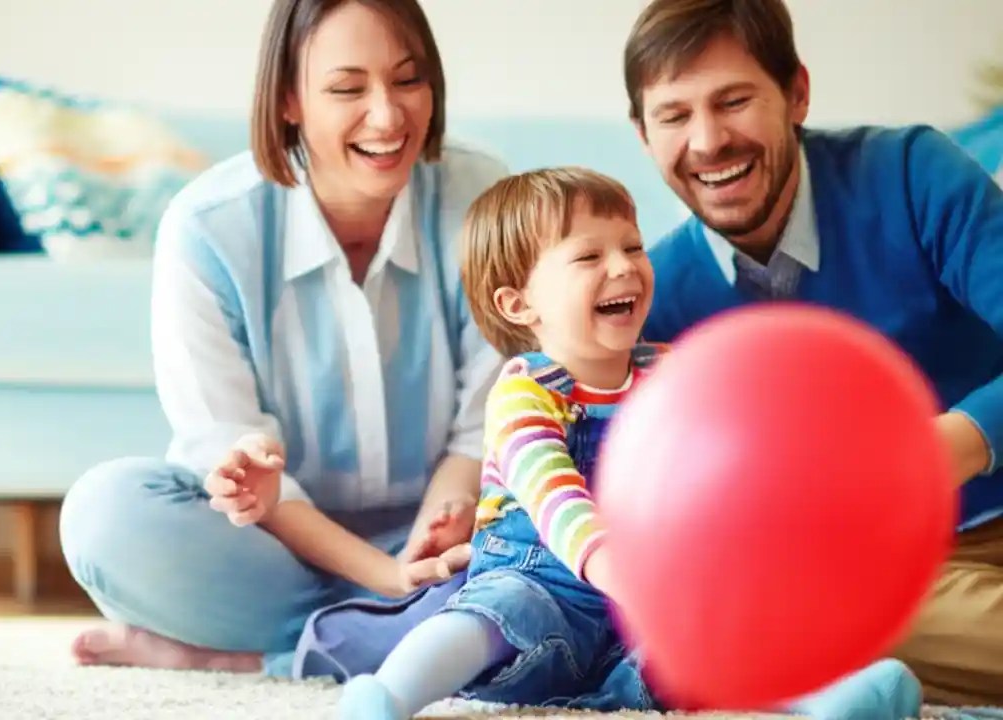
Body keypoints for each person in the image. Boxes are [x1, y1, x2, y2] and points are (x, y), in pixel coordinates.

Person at [335, 167, 923, 720]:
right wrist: (611, 561)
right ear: (519, 304)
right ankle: (389, 693)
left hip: (645, 601)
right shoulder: (524, 391)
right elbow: (552, 493)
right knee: (494, 611)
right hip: (543, 581)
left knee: (716, 639)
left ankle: (827, 695)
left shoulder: (673, 373)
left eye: (633, 247)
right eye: (589, 256)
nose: (623, 267)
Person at [57, 0, 509, 676]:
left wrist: (436, 534)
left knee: (567, 540)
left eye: (408, 79)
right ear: (289, 100)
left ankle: (252, 657)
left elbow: (485, 428)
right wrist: (387, 579)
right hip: (276, 548)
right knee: (106, 515)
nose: (388, 116)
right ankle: (405, 629)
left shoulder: (485, 201)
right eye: (347, 88)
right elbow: (221, 441)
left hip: (445, 538)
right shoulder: (207, 228)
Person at [626, 0, 1003, 706]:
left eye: (733, 101)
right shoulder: (652, 298)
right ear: (643, 136)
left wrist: (953, 443)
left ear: (797, 93)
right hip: (890, 582)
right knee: (810, 622)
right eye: (674, 115)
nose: (707, 142)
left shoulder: (912, 174)